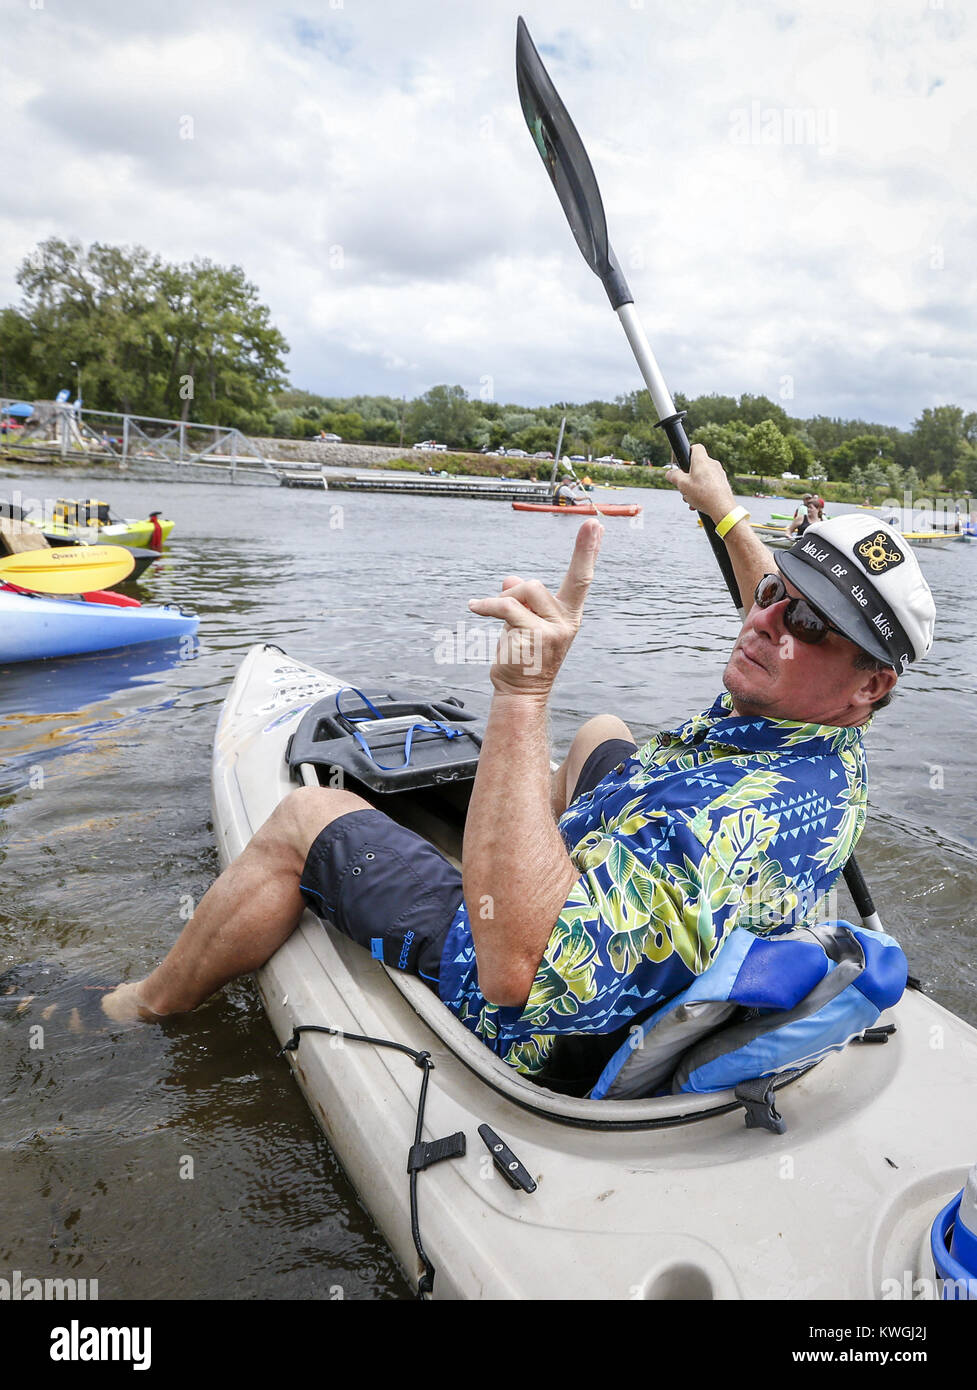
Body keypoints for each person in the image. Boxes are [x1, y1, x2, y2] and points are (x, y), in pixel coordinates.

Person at [102, 446, 935, 1090]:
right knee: (602, 730)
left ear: (870, 684)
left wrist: (522, 693)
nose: (766, 625)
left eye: (812, 624)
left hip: (543, 1013)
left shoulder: (718, 823)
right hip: (661, 913)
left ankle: (144, 1004)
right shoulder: (826, 729)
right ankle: (519, 849)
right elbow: (780, 603)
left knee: (301, 824)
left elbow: (517, 974)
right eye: (773, 595)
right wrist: (720, 509)